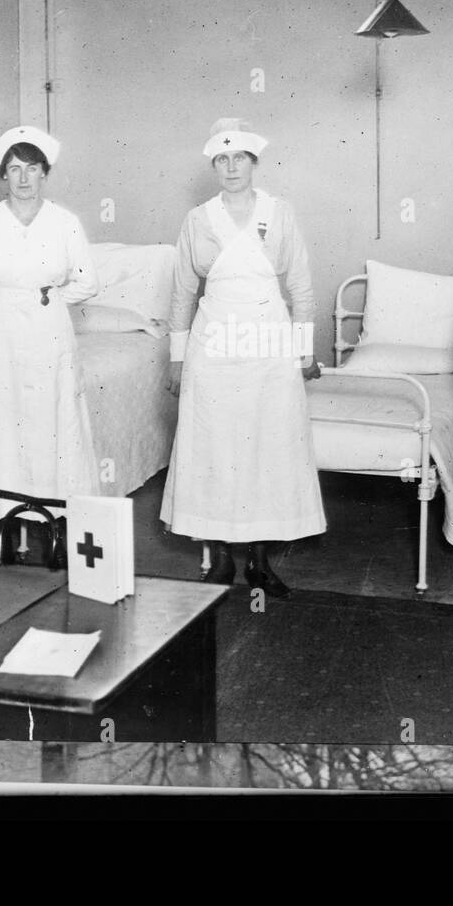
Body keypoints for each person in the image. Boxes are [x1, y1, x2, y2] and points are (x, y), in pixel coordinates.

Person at [160, 118, 325, 598]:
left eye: (240, 159)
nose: (231, 167)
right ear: (214, 165)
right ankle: (221, 562)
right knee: (214, 446)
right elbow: (182, 293)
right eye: (222, 160)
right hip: (214, 343)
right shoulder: (198, 218)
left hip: (268, 344)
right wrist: (176, 358)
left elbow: (300, 286)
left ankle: (259, 561)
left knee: (265, 448)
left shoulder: (279, 212)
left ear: (254, 163)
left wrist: (302, 350)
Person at [0, 126, 101, 525]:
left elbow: (87, 280)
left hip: (49, 330)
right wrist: (0, 305)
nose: (22, 178)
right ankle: (1, 514)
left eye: (31, 169)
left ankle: (52, 514)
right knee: (3, 415)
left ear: (44, 174)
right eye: (14, 169)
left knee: (49, 415)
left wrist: (45, 305)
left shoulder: (64, 222)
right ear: (3, 175)